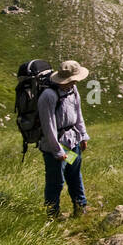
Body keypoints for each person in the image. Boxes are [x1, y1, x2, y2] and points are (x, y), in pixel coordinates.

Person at [38, 59, 91, 218]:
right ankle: (52, 214)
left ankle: (80, 207)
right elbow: (48, 127)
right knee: (56, 182)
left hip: (72, 141)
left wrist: (83, 136)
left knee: (74, 175)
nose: (76, 81)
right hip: (55, 147)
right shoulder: (48, 96)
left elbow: (78, 114)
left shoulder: (73, 90)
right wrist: (58, 151)